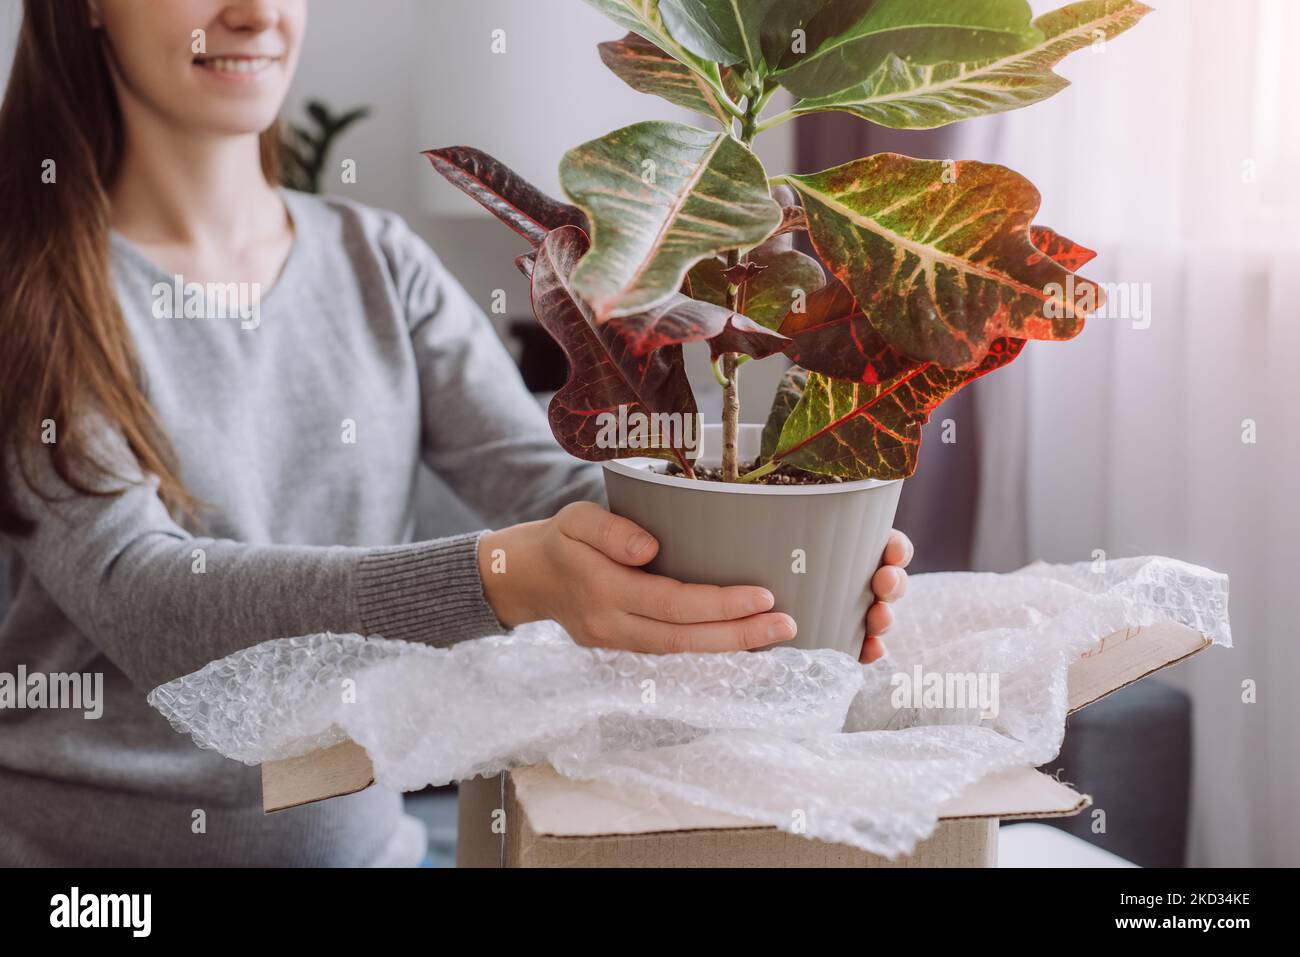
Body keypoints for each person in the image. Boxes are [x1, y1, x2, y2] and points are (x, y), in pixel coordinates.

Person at [0, 0, 912, 866]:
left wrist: (785, 542)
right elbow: (147, 601)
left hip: (367, 853)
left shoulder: (378, 260)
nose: (254, 12)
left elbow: (553, 488)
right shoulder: (30, 290)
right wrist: (507, 578)